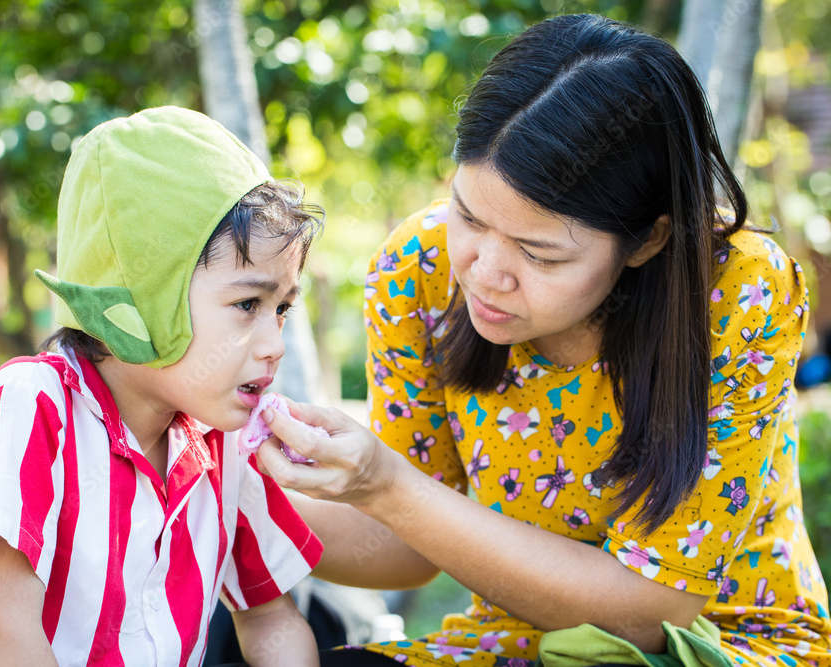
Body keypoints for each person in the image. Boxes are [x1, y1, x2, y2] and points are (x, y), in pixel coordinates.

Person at [256, 14, 831, 667]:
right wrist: (233, 503)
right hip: (511, 644)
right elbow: (410, 544)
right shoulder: (417, 270)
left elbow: (650, 616)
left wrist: (388, 485)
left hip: (719, 642)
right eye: (467, 215)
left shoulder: (737, 292)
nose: (484, 272)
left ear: (649, 238)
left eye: (540, 254)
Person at [0, 106, 326, 667]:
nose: (275, 343)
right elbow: (4, 628)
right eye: (247, 305)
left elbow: (269, 617)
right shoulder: (33, 404)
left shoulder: (222, 443)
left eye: (282, 308)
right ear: (140, 298)